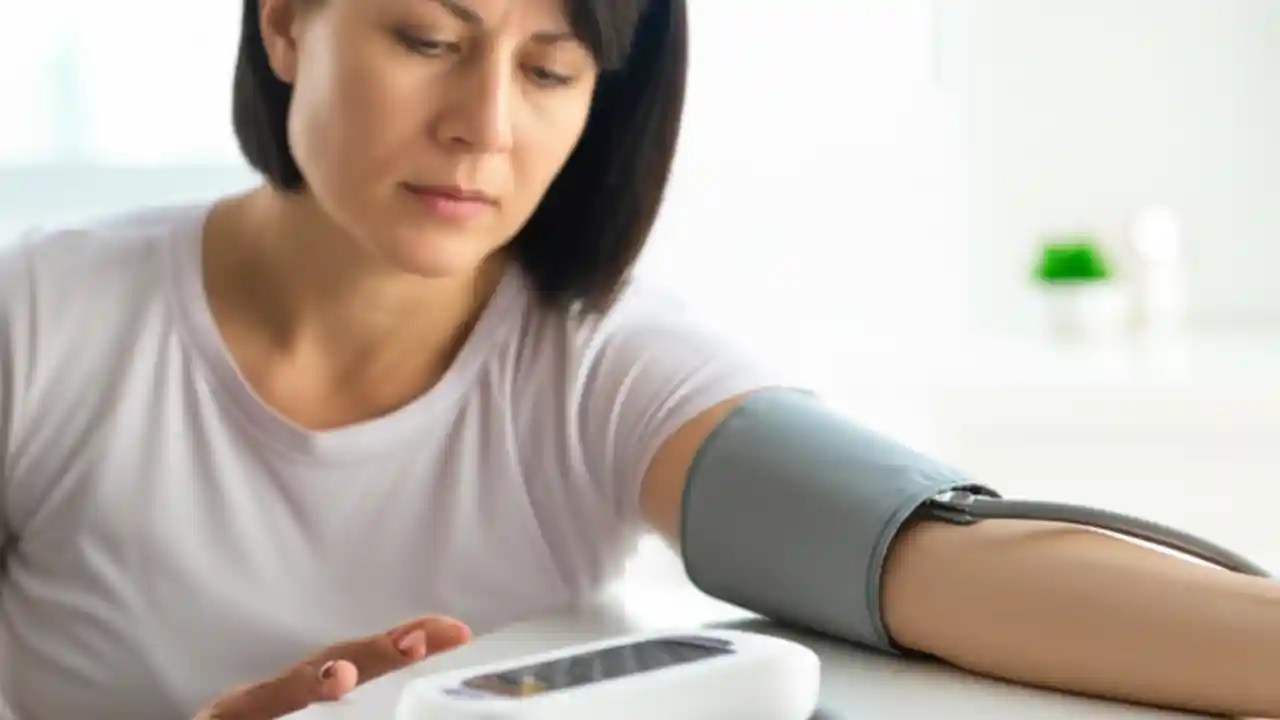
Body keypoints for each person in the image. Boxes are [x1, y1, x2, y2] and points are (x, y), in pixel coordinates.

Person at [0, 0, 1275, 718]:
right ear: (285, 23)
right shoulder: (45, 317)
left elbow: (931, 559)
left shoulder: (595, 359)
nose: (483, 127)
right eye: (426, 40)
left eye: (551, 71)